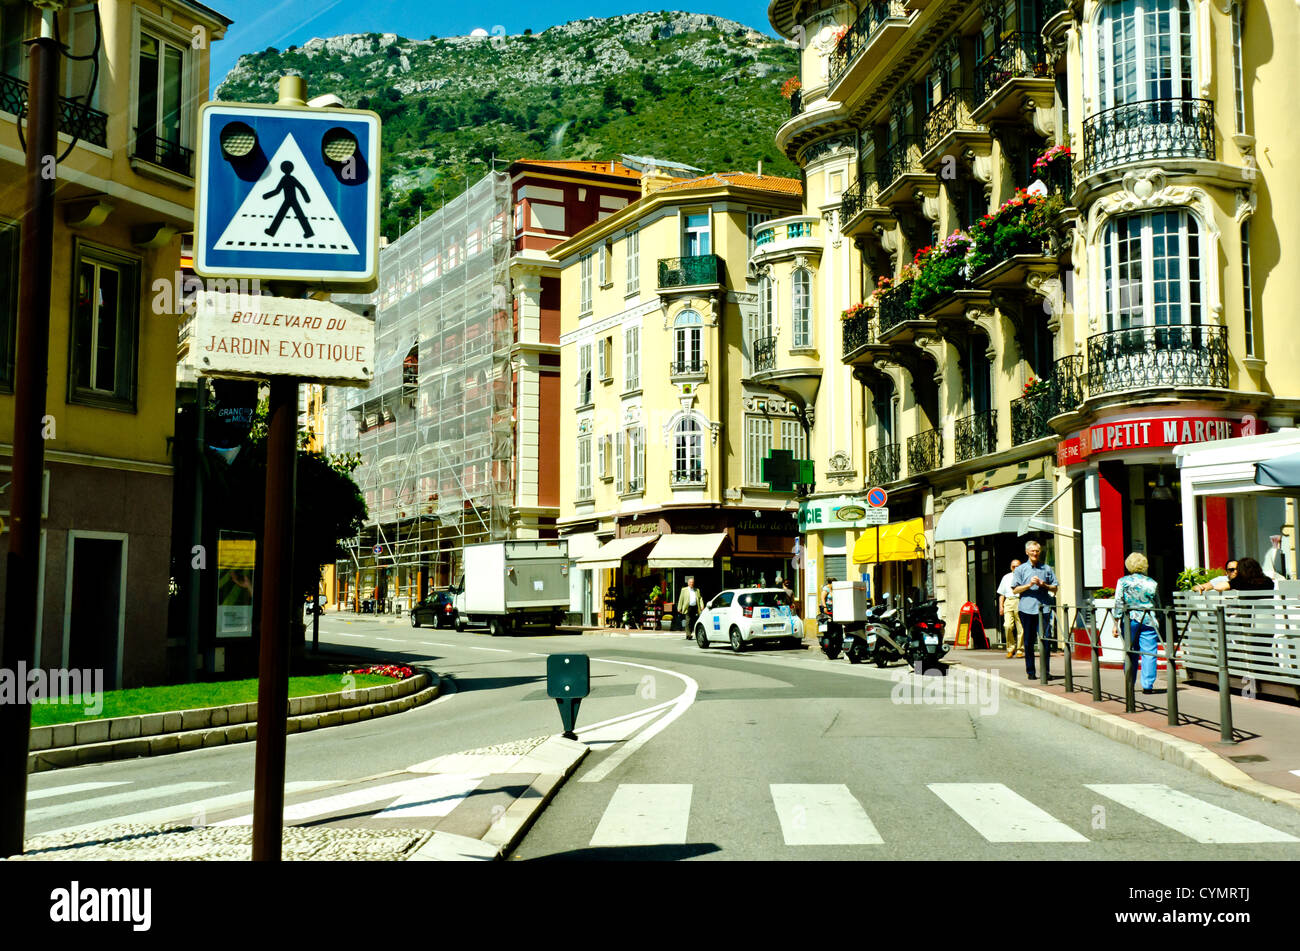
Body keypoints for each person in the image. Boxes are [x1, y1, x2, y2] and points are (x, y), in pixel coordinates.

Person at [1113, 552, 1162, 694]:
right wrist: (1158, 616)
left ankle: (1130, 681)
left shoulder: (1123, 582)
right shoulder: (1152, 583)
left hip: (1130, 619)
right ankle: (1147, 685)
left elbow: (1118, 603)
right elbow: (1157, 603)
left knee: (1130, 651)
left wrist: (1116, 623)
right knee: (1149, 652)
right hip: (1148, 620)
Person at [1011, 539, 1058, 678]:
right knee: (1029, 641)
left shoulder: (1047, 568)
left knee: (1045, 640)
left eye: (1037, 551)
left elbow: (1055, 587)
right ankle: (1031, 672)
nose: (1035, 553)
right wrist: (1028, 585)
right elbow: (1015, 590)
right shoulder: (1020, 569)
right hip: (1026, 609)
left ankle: (1046, 671)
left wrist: (1044, 585)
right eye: (1032, 551)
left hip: (1043, 608)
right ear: (1027, 552)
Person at [997, 558, 1024, 657]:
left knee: (1021, 627)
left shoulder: (1024, 577)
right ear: (1010, 567)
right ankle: (1010, 648)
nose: (1016, 568)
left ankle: (1020, 649)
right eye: (1013, 566)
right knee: (1007, 625)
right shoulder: (1006, 577)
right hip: (1008, 601)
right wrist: (1001, 606)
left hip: (1020, 600)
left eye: (1018, 566)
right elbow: (1001, 594)